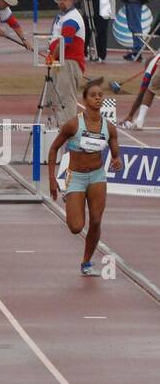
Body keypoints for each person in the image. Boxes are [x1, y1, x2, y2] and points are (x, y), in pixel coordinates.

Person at [46, 79, 122, 276]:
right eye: (93, 96)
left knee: (96, 221)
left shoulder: (109, 127)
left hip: (97, 177)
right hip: (77, 177)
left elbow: (115, 153)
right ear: (85, 100)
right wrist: (52, 179)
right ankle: (70, 197)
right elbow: (54, 148)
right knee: (76, 227)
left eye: (100, 96)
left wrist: (116, 160)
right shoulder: (73, 124)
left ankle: (86, 262)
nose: (97, 98)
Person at [47, 0, 88, 127]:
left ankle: (68, 130)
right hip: (62, 62)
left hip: (69, 63)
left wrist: (52, 58)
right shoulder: (64, 17)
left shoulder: (72, 18)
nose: (61, 2)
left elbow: (64, 42)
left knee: (66, 99)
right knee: (57, 98)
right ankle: (61, 128)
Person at [118, 49, 160, 126]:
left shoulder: (150, 68)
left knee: (149, 91)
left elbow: (142, 94)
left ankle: (140, 121)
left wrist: (130, 115)